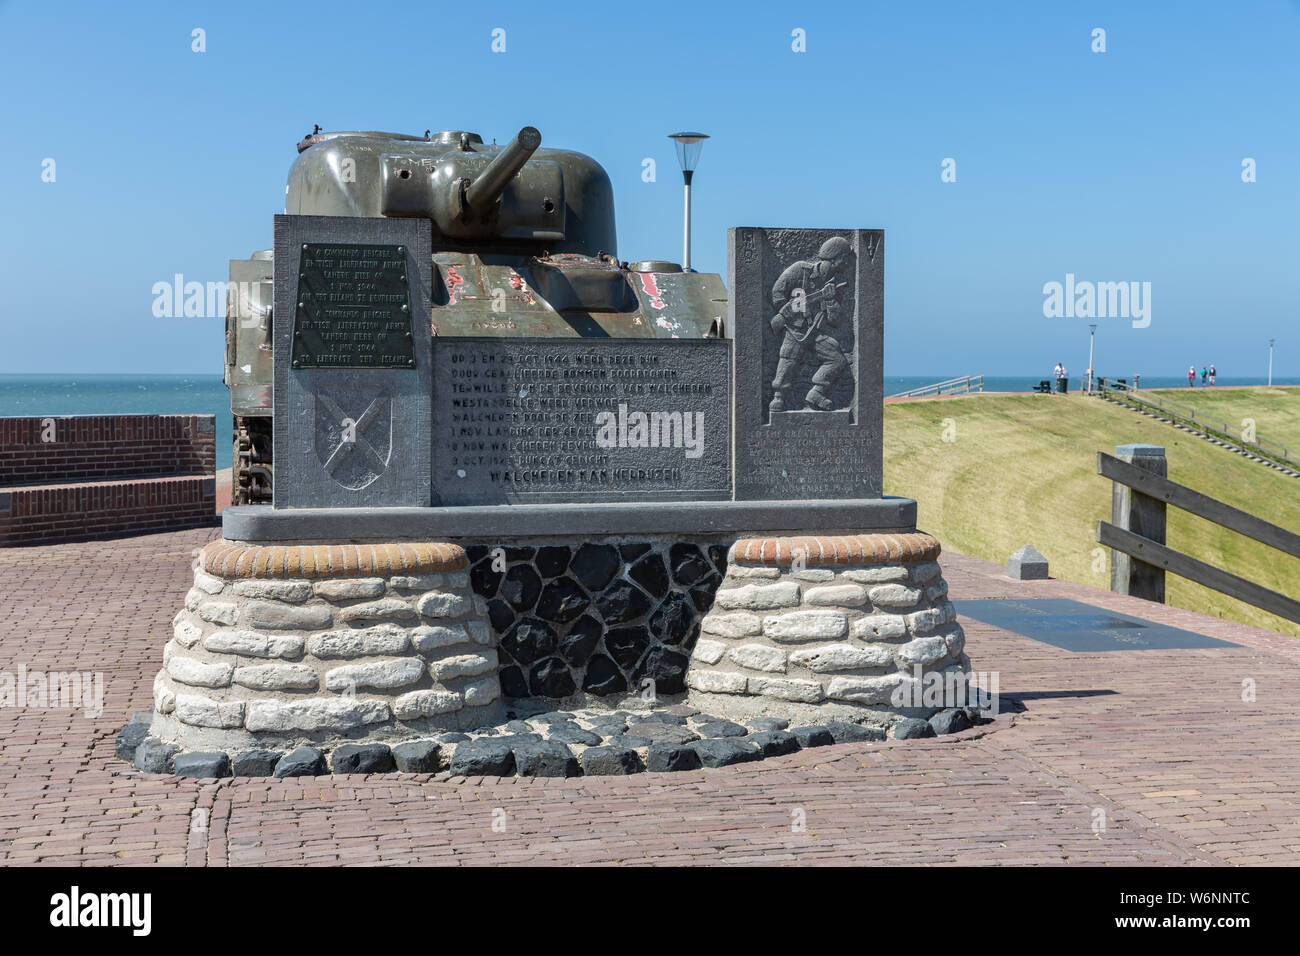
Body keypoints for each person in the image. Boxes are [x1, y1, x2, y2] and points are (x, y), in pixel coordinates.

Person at [769, 237, 854, 412]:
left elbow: (835, 321)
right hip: (796, 330)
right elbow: (777, 292)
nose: (846, 263)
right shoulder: (800, 270)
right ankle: (778, 397)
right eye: (845, 258)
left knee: (836, 359)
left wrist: (830, 301)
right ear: (836, 258)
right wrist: (791, 315)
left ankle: (816, 393)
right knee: (787, 359)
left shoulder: (835, 284)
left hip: (816, 331)